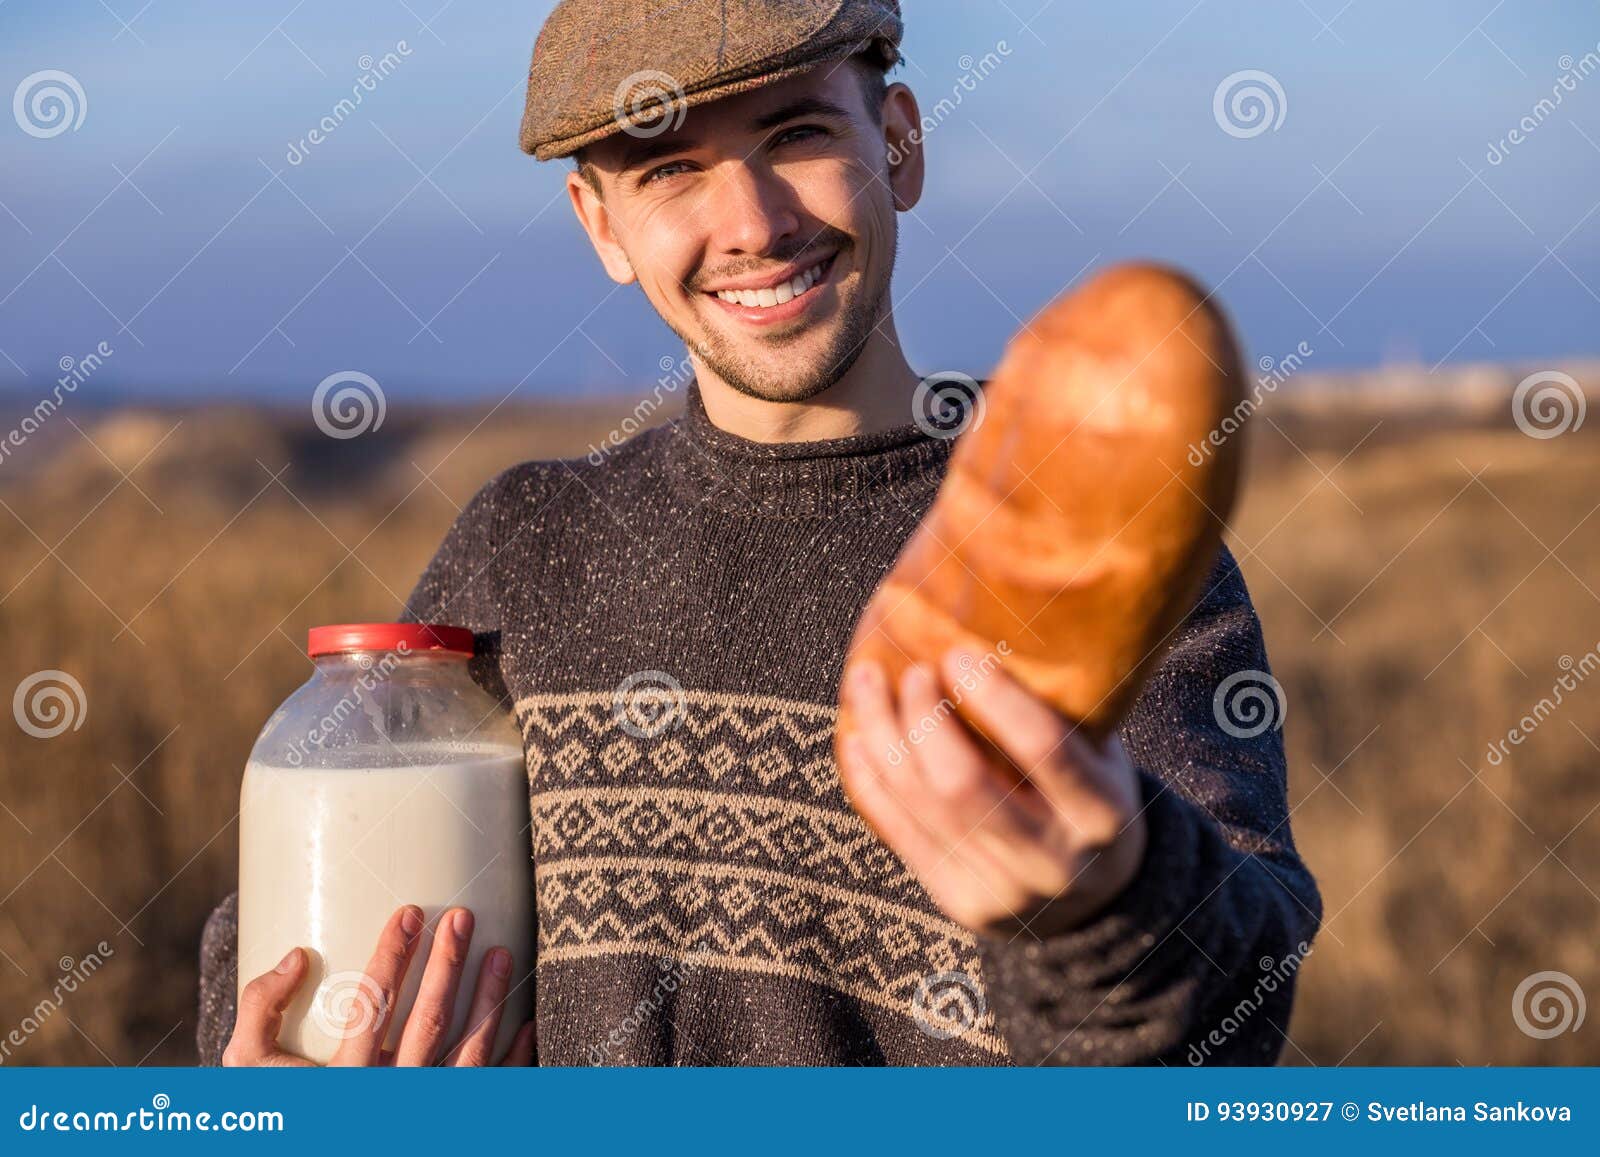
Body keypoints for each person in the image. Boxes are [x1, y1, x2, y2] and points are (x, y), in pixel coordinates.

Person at [200, 0, 1320, 1067]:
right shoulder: (526, 548)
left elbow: (1234, 1009)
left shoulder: (1077, 525)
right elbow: (306, 905)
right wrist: (270, 1053)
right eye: (670, 167)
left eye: (796, 133)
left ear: (899, 142)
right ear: (603, 226)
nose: (753, 223)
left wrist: (1108, 898)